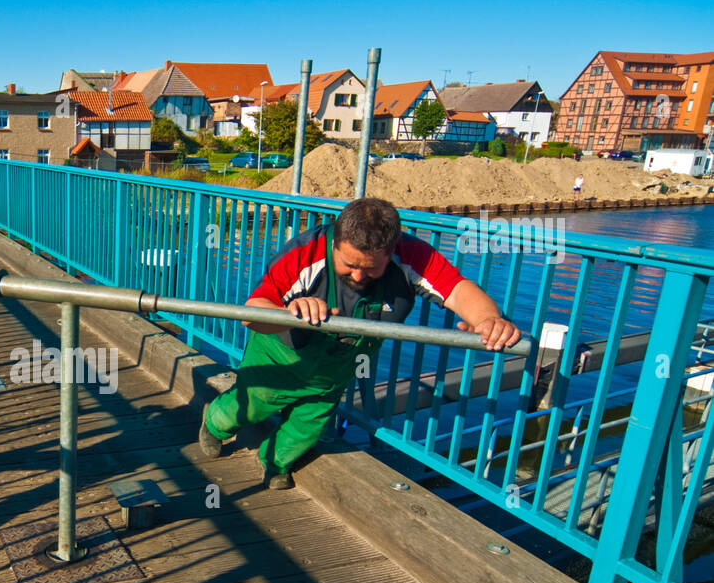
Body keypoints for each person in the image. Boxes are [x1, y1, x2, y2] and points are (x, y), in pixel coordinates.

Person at [199, 197, 522, 489]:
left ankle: (275, 461)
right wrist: (289, 312)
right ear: (335, 241)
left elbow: (457, 290)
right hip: (280, 353)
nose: (357, 276)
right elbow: (251, 313)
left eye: (370, 268)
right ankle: (215, 423)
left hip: (337, 365)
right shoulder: (303, 252)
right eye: (349, 265)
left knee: (309, 423)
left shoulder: (413, 256)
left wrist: (488, 319)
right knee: (252, 402)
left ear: (392, 250)